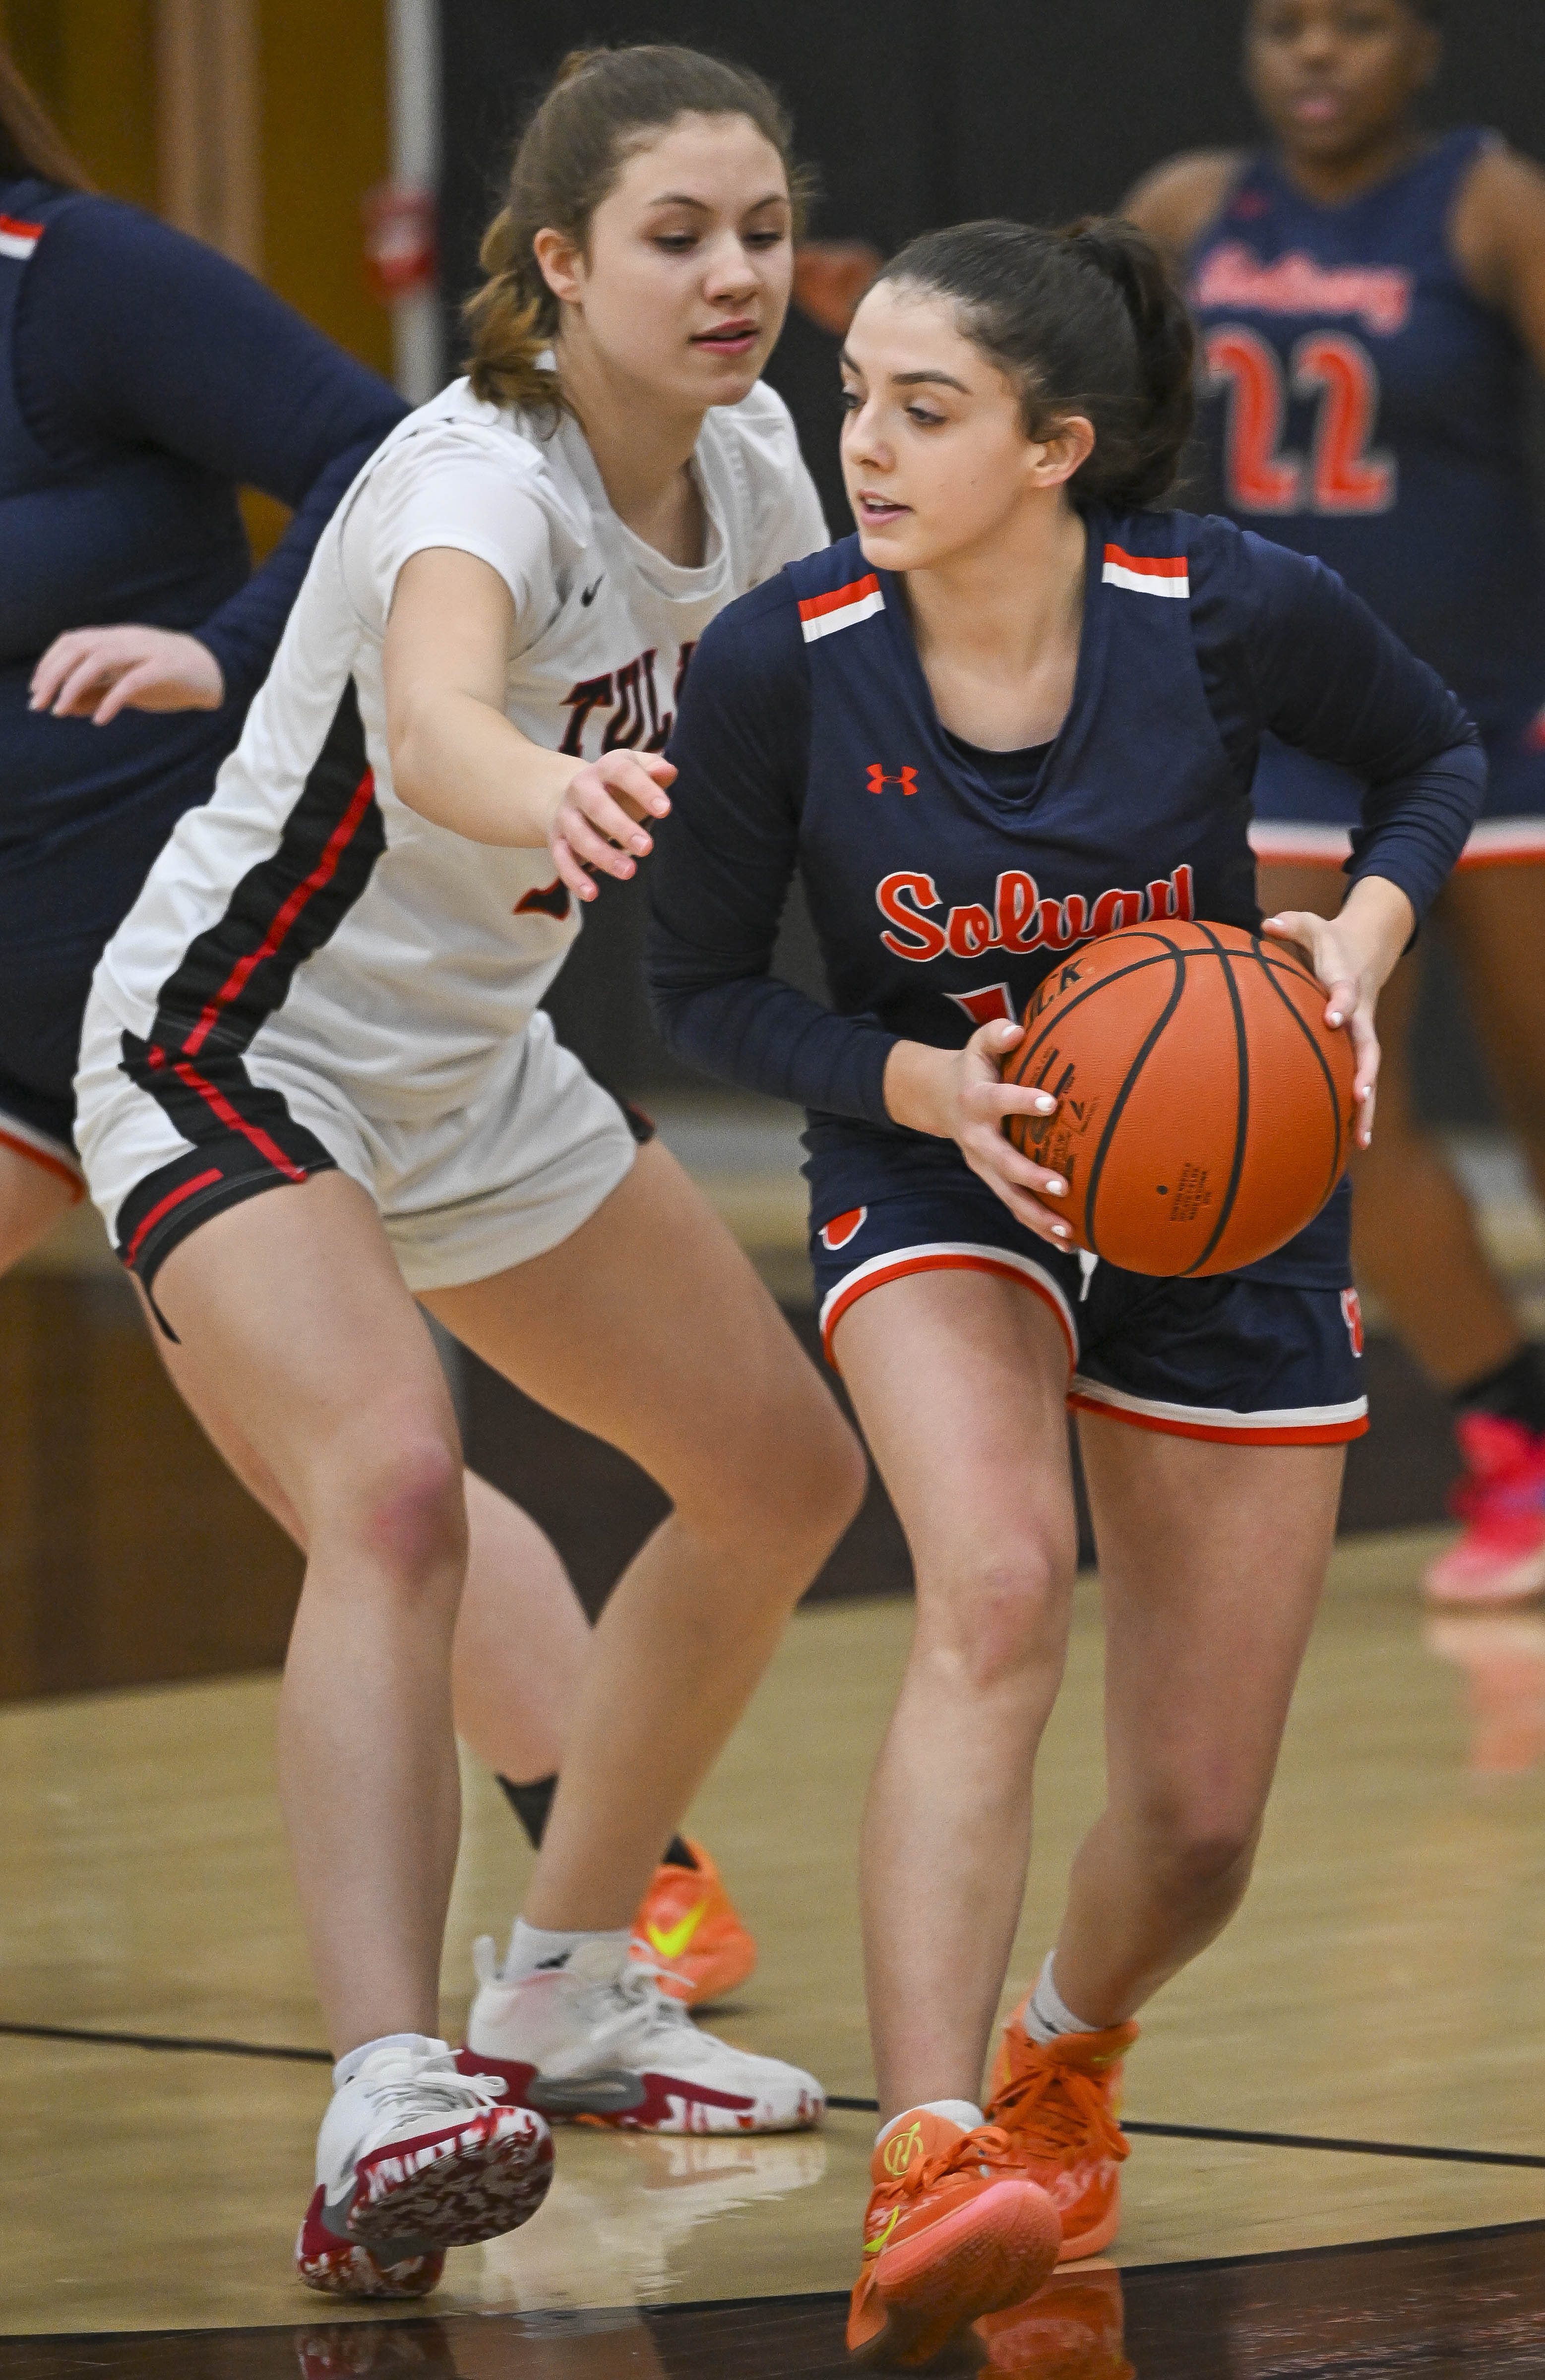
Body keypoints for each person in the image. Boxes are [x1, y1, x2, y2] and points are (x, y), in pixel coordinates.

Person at [646, 217, 1481, 2366]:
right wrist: (916, 1072)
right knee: (997, 1579)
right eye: (852, 401)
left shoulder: (1213, 607)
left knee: (1198, 1820)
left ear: (1056, 447)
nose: (866, 444)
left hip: (1219, 1194)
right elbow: (698, 989)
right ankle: (927, 2148)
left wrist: (1357, 947)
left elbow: (1431, 758)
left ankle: (1058, 2049)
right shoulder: (781, 657)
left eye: (924, 411)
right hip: (937, 1168)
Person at [69, 43, 861, 2301]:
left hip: (463, 1066)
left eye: (758, 234)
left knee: (780, 1473)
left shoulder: (756, 453)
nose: (730, 278)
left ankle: (569, 1986)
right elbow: (433, 721)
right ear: (555, 265)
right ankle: (385, 2089)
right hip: (231, 1048)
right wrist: (561, 797)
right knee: (395, 1490)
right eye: (673, 239)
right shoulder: (472, 481)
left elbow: (838, 717)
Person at [1124, 0, 1545, 1605]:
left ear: (1420, 46)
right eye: (1285, 25)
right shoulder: (1185, 210)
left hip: (1497, 727)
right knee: (1328, 1106)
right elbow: (1053, 372)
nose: (1315, 55)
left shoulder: (1485, 204)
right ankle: (1511, 1429)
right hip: (1292, 735)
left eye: (1355, 24)